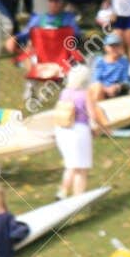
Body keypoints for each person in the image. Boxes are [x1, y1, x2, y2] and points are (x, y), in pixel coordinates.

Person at [52, 65, 105, 200]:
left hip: (62, 130)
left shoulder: (65, 92)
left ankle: (62, 192)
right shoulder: (85, 94)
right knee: (81, 167)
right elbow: (92, 114)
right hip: (78, 131)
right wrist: (97, 128)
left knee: (71, 165)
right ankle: (78, 197)